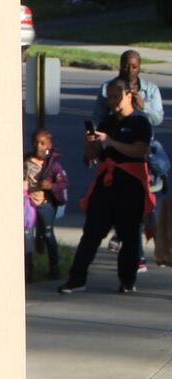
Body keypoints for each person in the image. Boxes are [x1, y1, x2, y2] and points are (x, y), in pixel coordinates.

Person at [59, 80, 154, 295]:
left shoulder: (140, 122)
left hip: (130, 183)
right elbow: (92, 157)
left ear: (129, 95)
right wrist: (91, 145)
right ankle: (76, 278)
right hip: (106, 183)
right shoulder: (106, 123)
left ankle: (127, 280)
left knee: (129, 234)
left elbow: (140, 151)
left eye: (116, 97)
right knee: (92, 231)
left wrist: (110, 142)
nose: (112, 102)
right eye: (109, 97)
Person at [91, 49, 163, 268]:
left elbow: (158, 118)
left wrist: (143, 105)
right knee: (120, 204)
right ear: (119, 65)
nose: (129, 70)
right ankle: (128, 244)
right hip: (117, 149)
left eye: (134, 66)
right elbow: (98, 120)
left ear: (139, 67)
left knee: (145, 197)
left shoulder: (150, 89)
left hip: (143, 148)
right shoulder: (107, 90)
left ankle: (135, 248)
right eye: (126, 65)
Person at [24, 129, 69, 280]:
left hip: (45, 203)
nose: (39, 146)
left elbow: (63, 183)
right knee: (27, 234)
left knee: (47, 234)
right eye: (36, 143)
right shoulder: (26, 161)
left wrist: (51, 186)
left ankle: (54, 266)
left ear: (49, 144)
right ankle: (28, 268)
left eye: (43, 143)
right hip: (29, 204)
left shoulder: (53, 165)